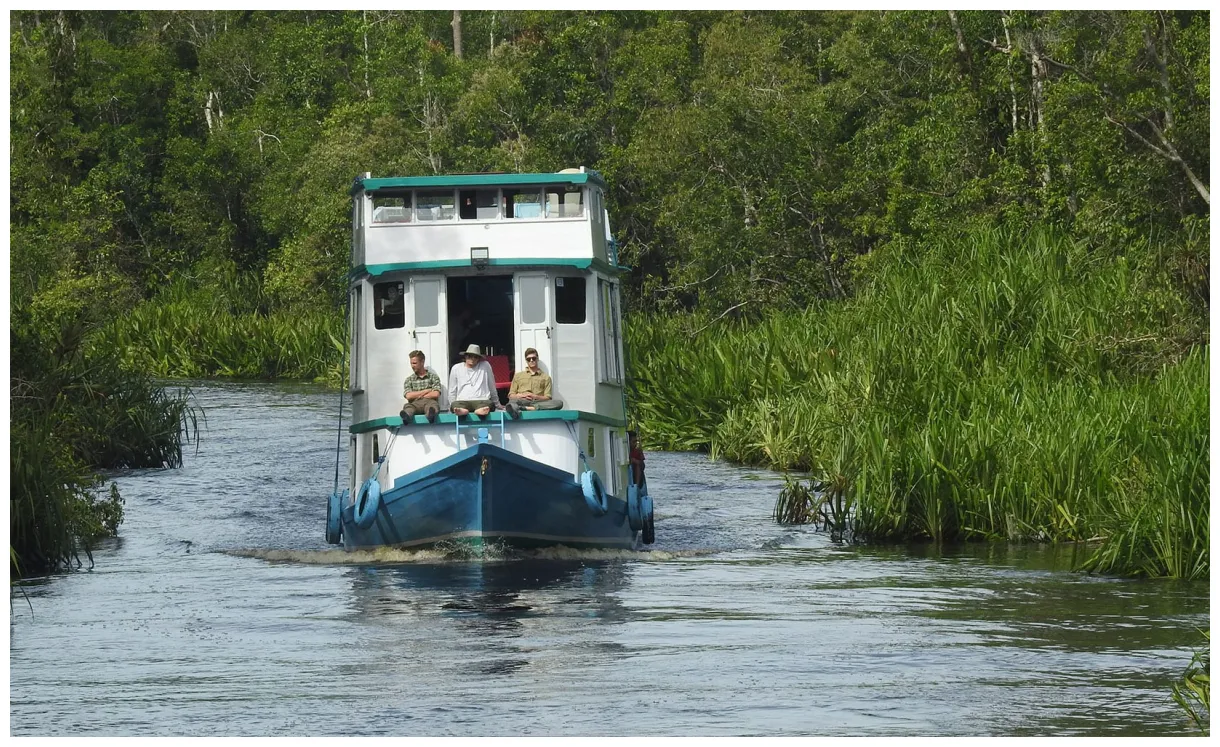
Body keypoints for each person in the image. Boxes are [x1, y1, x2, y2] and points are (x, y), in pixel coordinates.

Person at [505, 348, 563, 418]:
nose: (531, 360)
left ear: (537, 359)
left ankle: (526, 408)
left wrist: (535, 396)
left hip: (538, 402)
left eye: (533, 358)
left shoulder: (546, 377)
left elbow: (548, 397)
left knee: (559, 403)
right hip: (521, 401)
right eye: (529, 359)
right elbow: (511, 395)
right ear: (526, 361)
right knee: (511, 403)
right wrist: (520, 396)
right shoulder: (518, 376)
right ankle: (521, 408)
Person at [448, 344, 495, 417]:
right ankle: (463, 411)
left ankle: (478, 410)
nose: (472, 359)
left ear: (479, 358)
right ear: (465, 356)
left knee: (489, 404)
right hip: (462, 401)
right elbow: (452, 389)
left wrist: (497, 403)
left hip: (481, 400)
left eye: (475, 357)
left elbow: (492, 385)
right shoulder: (456, 368)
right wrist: (452, 405)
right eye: (470, 356)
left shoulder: (485, 365)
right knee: (455, 404)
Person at [400, 350, 441, 425]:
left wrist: (417, 395)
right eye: (411, 363)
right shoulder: (409, 379)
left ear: (422, 362)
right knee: (408, 407)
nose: (412, 366)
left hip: (429, 401)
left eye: (415, 363)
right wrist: (427, 390)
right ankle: (406, 417)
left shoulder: (433, 377)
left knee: (433, 406)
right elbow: (408, 396)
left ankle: (431, 416)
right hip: (415, 403)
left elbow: (436, 394)